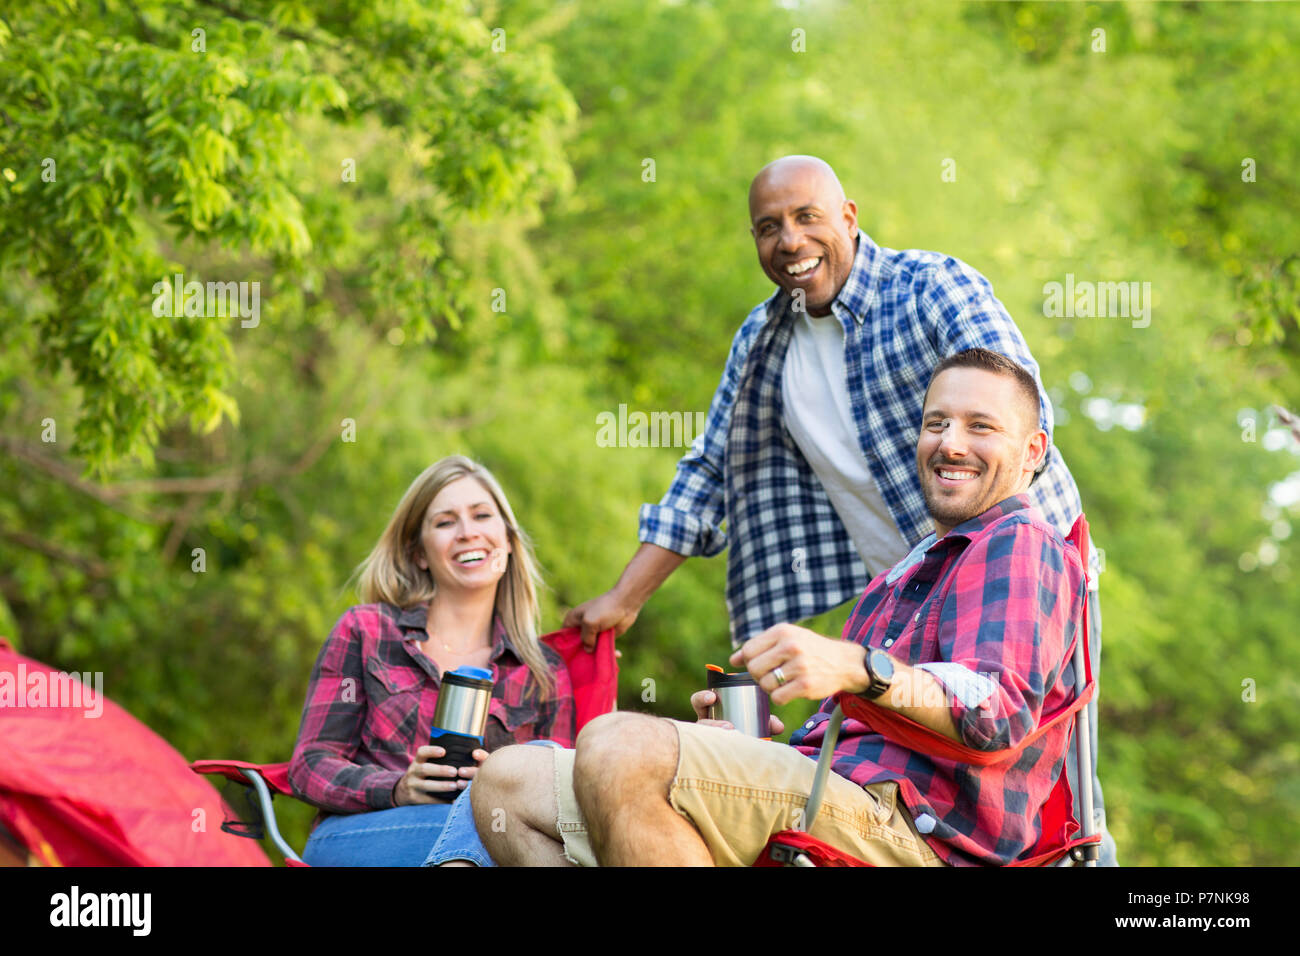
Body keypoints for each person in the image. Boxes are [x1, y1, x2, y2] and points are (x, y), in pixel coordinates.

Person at [565, 155, 1113, 864]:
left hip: (1006, 569)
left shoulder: (928, 287)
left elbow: (1006, 403)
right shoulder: (763, 342)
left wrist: (1022, 553)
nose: (789, 241)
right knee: (865, 754)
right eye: (769, 227)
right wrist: (623, 598)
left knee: (1054, 792)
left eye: (806, 217)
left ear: (849, 217)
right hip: (901, 595)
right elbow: (709, 475)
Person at [474, 350, 1089, 866]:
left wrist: (858, 667)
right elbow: (854, 732)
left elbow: (995, 712)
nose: (951, 443)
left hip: (918, 834)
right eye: (937, 424)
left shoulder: (1021, 544)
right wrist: (753, 744)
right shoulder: (904, 575)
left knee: (618, 746)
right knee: (505, 783)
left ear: (1033, 450)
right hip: (833, 790)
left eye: (981, 426)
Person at [288, 455, 575, 866]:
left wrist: (498, 783)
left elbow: (559, 803)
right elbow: (310, 766)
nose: (467, 532)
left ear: (507, 540)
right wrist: (398, 787)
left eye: (481, 515)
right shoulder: (367, 631)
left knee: (534, 776)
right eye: (445, 522)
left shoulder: (542, 671)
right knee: (492, 828)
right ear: (420, 553)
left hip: (496, 839)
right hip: (369, 832)